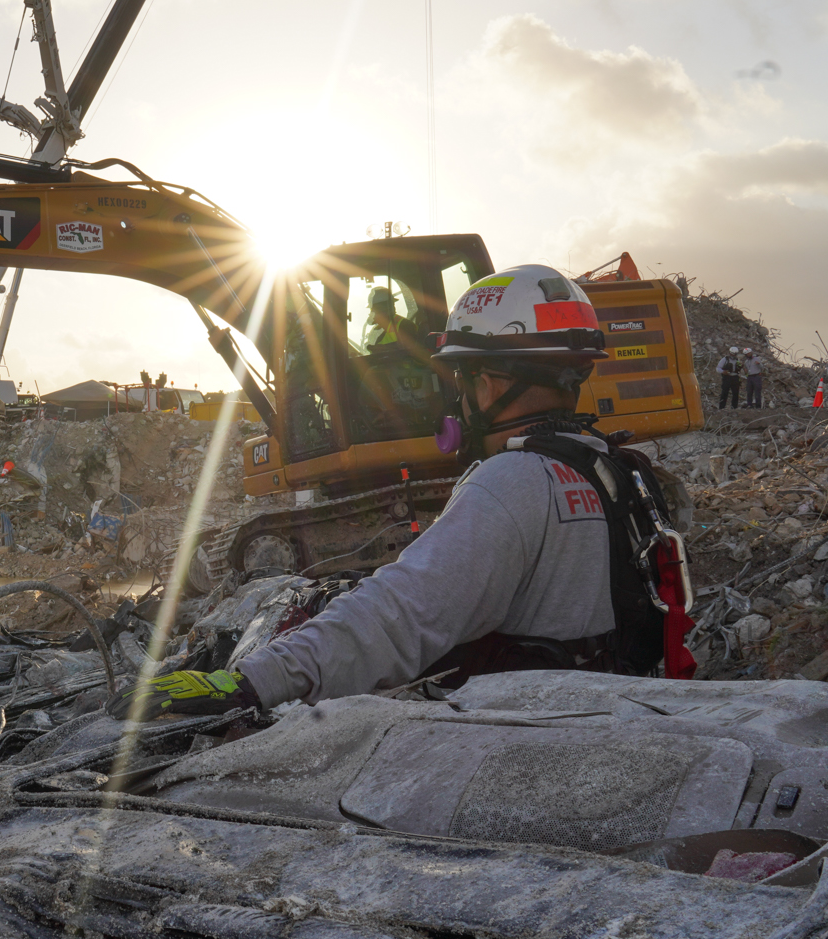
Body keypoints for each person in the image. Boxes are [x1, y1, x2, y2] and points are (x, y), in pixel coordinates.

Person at [110, 264, 693, 720]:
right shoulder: (610, 468)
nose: (457, 398)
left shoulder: (510, 482)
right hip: (602, 708)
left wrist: (252, 681)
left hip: (527, 737)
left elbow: (398, 617)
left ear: (490, 382)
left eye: (461, 380)